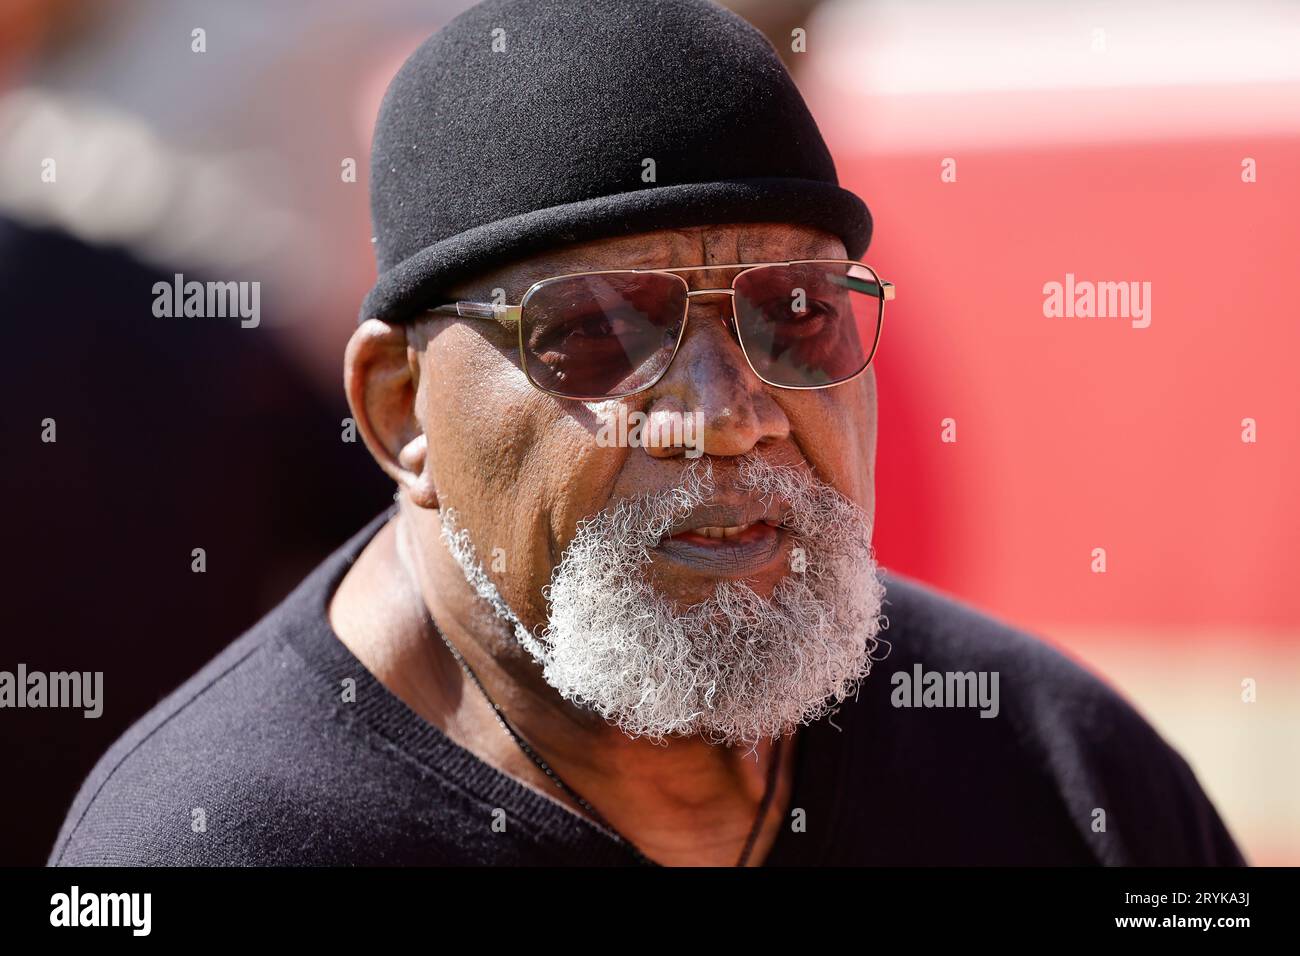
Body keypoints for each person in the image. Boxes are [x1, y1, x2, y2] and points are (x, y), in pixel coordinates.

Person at [49, 0, 1244, 867]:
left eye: (795, 315)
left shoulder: (1062, 773)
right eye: (598, 336)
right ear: (400, 411)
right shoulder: (210, 845)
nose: (727, 415)